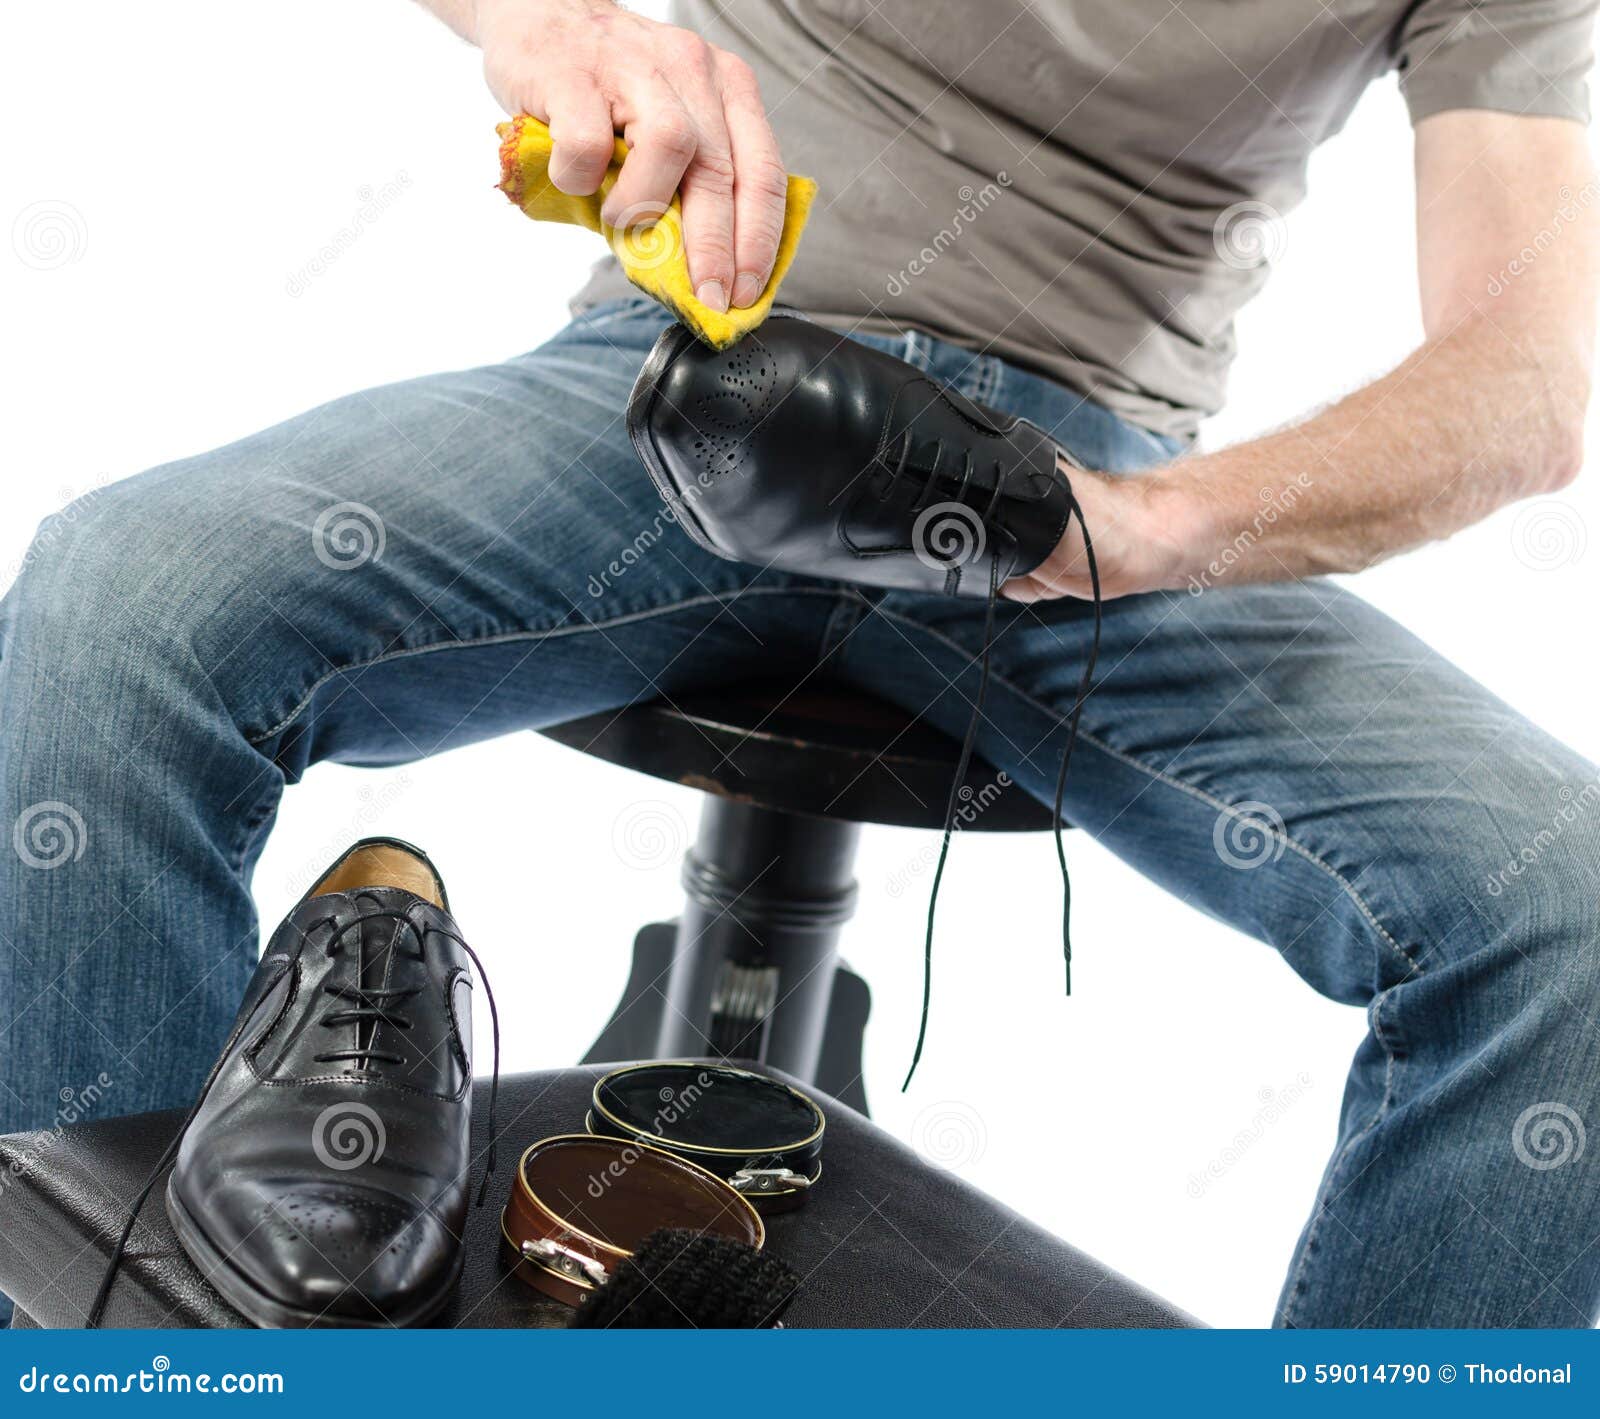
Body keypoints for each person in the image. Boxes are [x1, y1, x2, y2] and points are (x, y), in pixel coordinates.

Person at [3, 0, 1598, 1328]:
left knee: (1566, 912)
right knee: (119, 608)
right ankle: (115, 1346)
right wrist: (539, 23)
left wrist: (1144, 526)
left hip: (1066, 496)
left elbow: (1527, 385)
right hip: (667, 395)